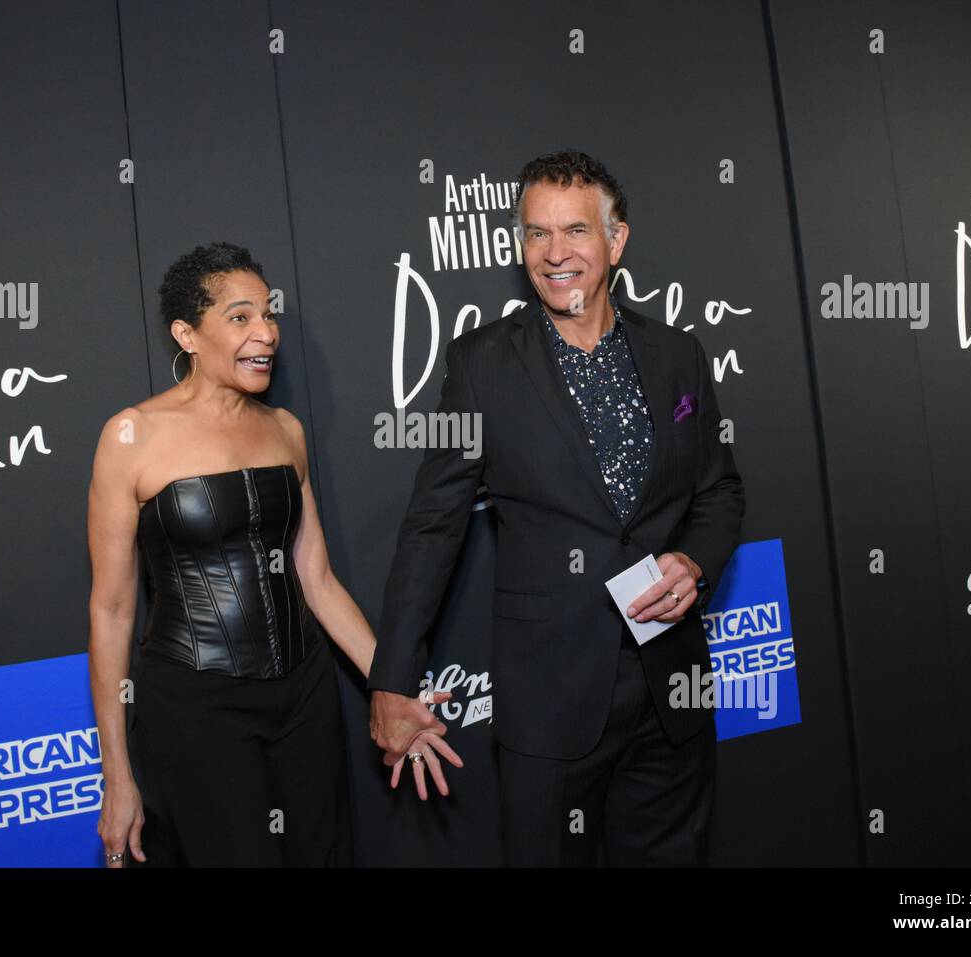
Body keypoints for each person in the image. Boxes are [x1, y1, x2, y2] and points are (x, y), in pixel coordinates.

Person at [368, 151, 746, 866]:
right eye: (536, 233)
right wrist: (391, 678)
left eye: (574, 230)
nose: (554, 252)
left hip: (672, 688)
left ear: (617, 240)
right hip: (550, 698)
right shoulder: (480, 365)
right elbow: (433, 526)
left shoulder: (677, 356)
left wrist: (695, 559)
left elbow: (719, 490)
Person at [86, 242, 460, 867]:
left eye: (268, 314)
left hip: (305, 700)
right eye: (239, 317)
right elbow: (112, 611)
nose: (264, 333)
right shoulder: (131, 437)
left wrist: (392, 685)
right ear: (187, 333)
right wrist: (117, 775)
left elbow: (317, 581)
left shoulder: (285, 429)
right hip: (195, 709)